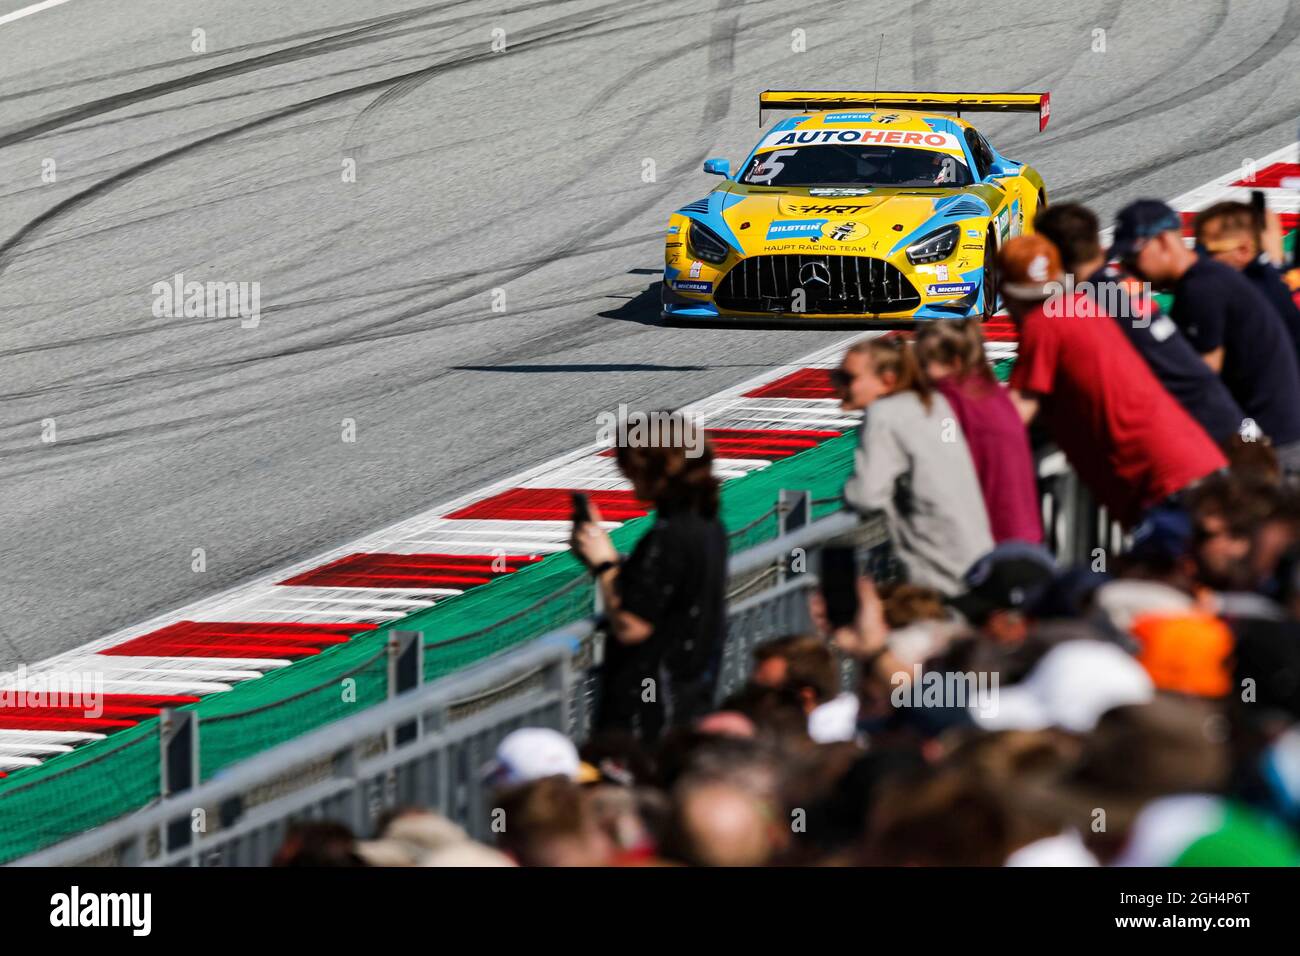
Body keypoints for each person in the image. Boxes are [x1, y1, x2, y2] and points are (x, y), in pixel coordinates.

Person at [1000, 234, 1228, 529]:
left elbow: (1013, 417)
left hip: (1168, 484)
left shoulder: (1042, 325)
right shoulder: (1081, 306)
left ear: (1007, 294)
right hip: (1192, 467)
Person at [571, 414, 727, 744]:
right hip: (688, 697)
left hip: (650, 716)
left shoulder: (669, 538)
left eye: (629, 467)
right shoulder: (709, 525)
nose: (625, 475)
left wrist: (603, 565)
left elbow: (632, 624)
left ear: (657, 471)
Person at [1033, 203, 1245, 446]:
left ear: (1049, 256)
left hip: (1204, 434)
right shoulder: (1113, 286)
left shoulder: (1084, 302)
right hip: (1225, 420)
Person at [1113, 200, 1300, 470]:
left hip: (1271, 448)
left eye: (1133, 257)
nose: (1131, 270)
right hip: (1269, 437)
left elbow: (1197, 378)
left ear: (1163, 242)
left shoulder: (1202, 288)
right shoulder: (1207, 279)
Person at [836, 337, 993, 594]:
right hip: (979, 554)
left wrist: (848, 491)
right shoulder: (934, 401)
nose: (838, 386)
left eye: (847, 378)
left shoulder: (884, 415)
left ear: (886, 380)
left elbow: (868, 496)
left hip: (939, 568)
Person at [913, 319, 1043, 543]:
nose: (918, 372)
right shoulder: (996, 395)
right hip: (1025, 533)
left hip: (984, 541)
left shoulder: (951, 401)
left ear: (954, 362)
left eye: (925, 364)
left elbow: (941, 464)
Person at [1194, 200, 1300, 358]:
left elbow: (1143, 324)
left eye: (1207, 251)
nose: (1198, 257)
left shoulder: (1239, 300)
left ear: (1243, 250)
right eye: (1197, 248)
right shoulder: (1282, 277)